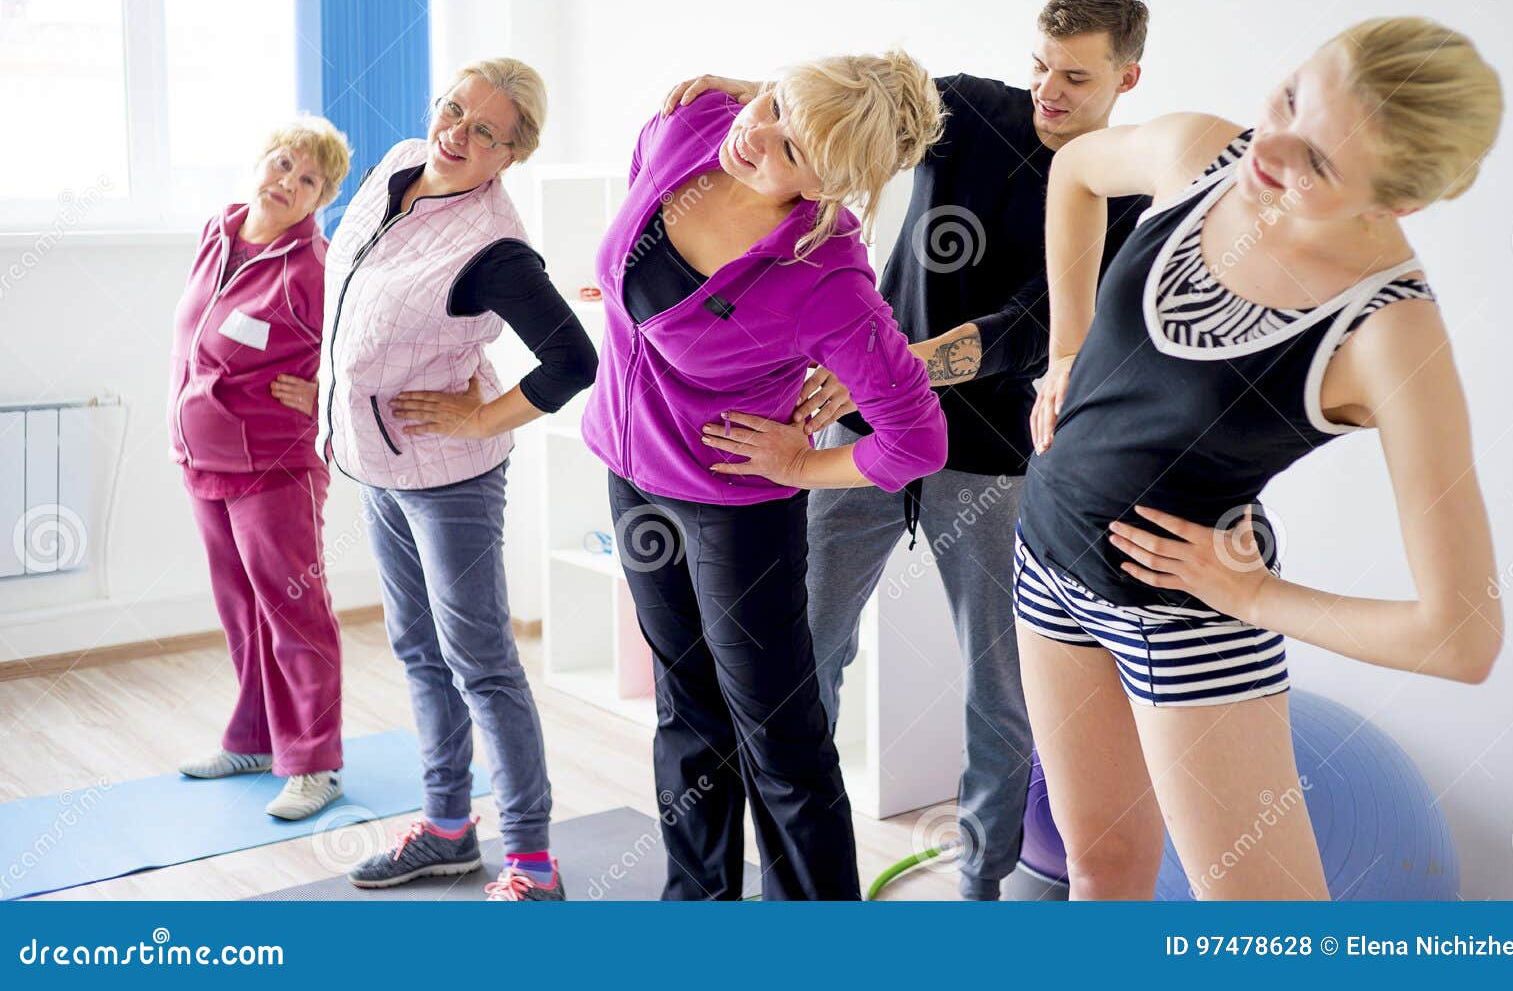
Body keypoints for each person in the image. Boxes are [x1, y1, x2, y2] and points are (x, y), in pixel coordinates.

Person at [660, 0, 1151, 898]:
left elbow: (1025, 334)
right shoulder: (965, 108)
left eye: (1076, 79)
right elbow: (853, 108)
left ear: (1129, 77)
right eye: (1041, 66)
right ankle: (796, 877)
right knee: (804, 649)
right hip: (861, 436)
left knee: (999, 690)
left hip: (997, 463)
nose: (1049, 91)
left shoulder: (1120, 194)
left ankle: (980, 886)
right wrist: (741, 87)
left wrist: (879, 365)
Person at [1020, 16, 1505, 900]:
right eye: (1288, 97)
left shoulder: (1389, 334)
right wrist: (1064, 352)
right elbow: (1074, 172)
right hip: (1043, 557)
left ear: (1396, 203)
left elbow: (1462, 638)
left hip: (1184, 622)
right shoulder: (1201, 153)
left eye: (1317, 159)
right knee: (1098, 870)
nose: (1270, 146)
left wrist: (1253, 596)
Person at [582, 52, 949, 900]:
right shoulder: (697, 121)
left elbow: (914, 439)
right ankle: (699, 907)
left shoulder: (826, 277)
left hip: (730, 508)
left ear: (833, 185)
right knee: (684, 707)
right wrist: (752, 89)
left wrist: (801, 460)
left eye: (794, 148)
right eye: (776, 106)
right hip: (628, 471)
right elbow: (642, 236)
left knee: (778, 740)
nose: (761, 139)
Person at [323, 58, 598, 903]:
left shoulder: (496, 248)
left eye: (485, 131)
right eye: (454, 109)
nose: (457, 132)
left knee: (480, 659)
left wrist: (479, 417)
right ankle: (447, 828)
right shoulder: (400, 164)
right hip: (376, 461)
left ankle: (532, 861)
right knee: (417, 649)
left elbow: (573, 360)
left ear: (509, 155)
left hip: (450, 480)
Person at [170, 116, 351, 820]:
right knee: (241, 609)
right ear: (259, 162)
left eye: (308, 180)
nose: (288, 182)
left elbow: (355, 351)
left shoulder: (317, 267)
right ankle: (252, 738)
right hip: (203, 456)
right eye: (282, 164)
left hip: (275, 466)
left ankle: (317, 761)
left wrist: (326, 391)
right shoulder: (220, 230)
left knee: (293, 611)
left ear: (320, 199)